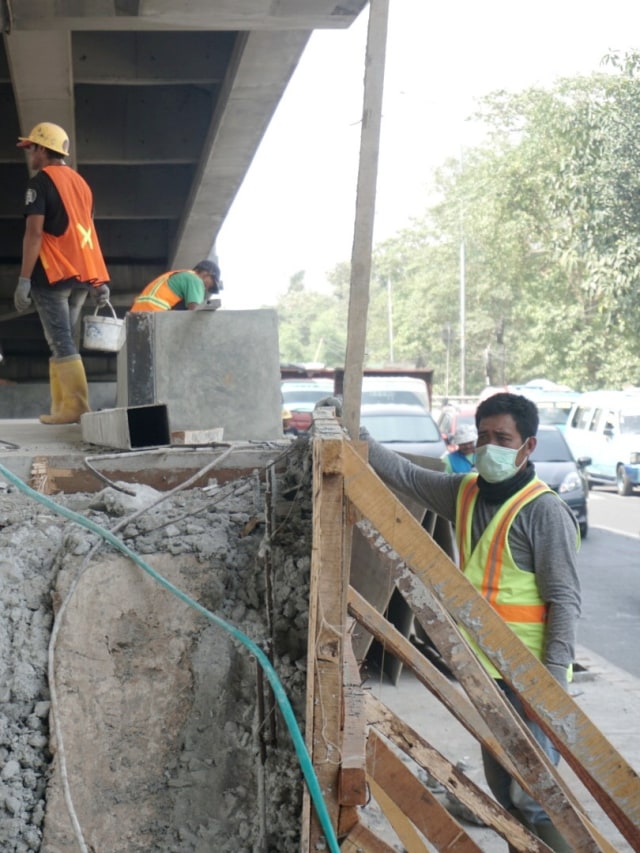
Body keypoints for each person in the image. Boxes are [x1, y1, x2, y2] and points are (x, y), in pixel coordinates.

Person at [361, 392, 580, 852]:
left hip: (529, 674)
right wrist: (356, 436)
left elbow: (564, 598)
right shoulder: (464, 492)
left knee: (535, 795)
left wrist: (552, 683)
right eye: (483, 437)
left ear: (528, 447)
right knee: (504, 791)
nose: (489, 447)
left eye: (502, 437)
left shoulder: (544, 511)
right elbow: (404, 475)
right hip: (484, 672)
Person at [15, 122, 111, 425]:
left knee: (60, 340)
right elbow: (89, 234)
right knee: (64, 338)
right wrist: (99, 279)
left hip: (52, 274)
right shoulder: (82, 184)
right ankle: (61, 408)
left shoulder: (40, 182)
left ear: (43, 149)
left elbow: (34, 234)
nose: (29, 153)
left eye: (32, 147)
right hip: (81, 275)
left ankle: (76, 407)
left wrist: (24, 279)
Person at [130, 260, 221, 312]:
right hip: (156, 315)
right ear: (206, 274)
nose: (206, 288)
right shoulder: (195, 280)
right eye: (210, 284)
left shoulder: (178, 275)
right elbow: (196, 311)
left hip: (136, 315)